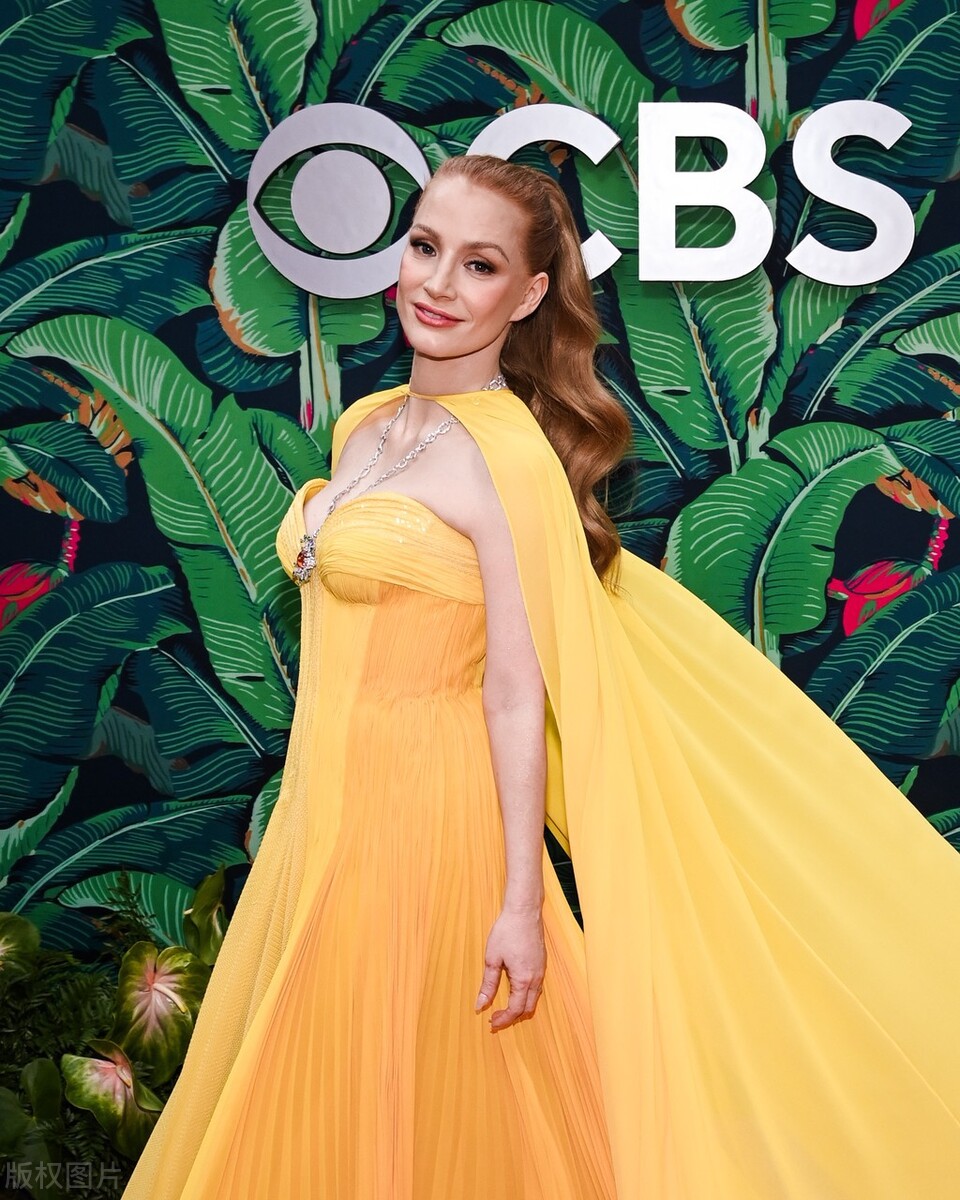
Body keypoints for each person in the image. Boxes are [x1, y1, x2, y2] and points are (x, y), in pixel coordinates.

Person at [122, 155, 960, 1200]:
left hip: (433, 830)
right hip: (327, 816)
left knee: (438, 1105)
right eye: (426, 247)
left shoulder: (508, 462)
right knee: (340, 1092)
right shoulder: (368, 423)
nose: (437, 284)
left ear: (524, 298)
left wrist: (519, 900)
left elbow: (517, 689)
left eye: (478, 266)